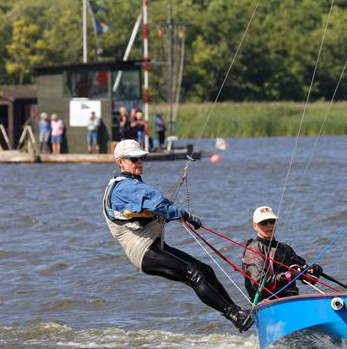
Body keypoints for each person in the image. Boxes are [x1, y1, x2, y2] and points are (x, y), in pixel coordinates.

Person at [103, 139, 254, 332]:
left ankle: (237, 313)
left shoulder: (128, 184)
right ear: (120, 162)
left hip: (155, 246)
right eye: (134, 159)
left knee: (205, 270)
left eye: (141, 158)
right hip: (143, 251)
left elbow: (145, 212)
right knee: (194, 274)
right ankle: (235, 315)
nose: (139, 162)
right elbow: (156, 202)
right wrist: (184, 215)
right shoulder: (125, 187)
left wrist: (168, 215)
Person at [242, 206, 323, 300]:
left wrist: (314, 271)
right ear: (255, 226)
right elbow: (258, 284)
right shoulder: (254, 249)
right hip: (268, 303)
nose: (269, 225)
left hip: (291, 300)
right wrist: (289, 275)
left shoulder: (285, 249)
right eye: (264, 223)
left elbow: (306, 278)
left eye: (272, 221)